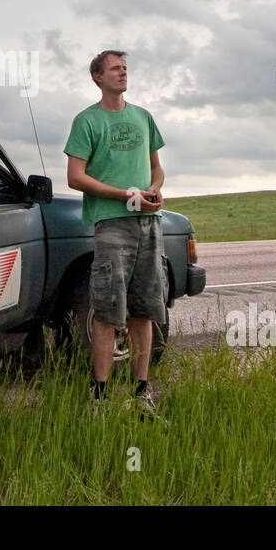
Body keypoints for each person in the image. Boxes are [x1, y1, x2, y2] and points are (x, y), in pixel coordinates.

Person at [63, 50, 167, 417]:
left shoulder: (143, 116)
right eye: (115, 69)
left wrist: (153, 190)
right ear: (97, 77)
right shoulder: (87, 121)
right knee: (107, 313)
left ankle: (141, 392)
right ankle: (100, 396)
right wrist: (124, 195)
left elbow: (156, 168)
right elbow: (76, 177)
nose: (123, 73)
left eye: (125, 68)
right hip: (111, 224)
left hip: (148, 223)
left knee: (145, 309)